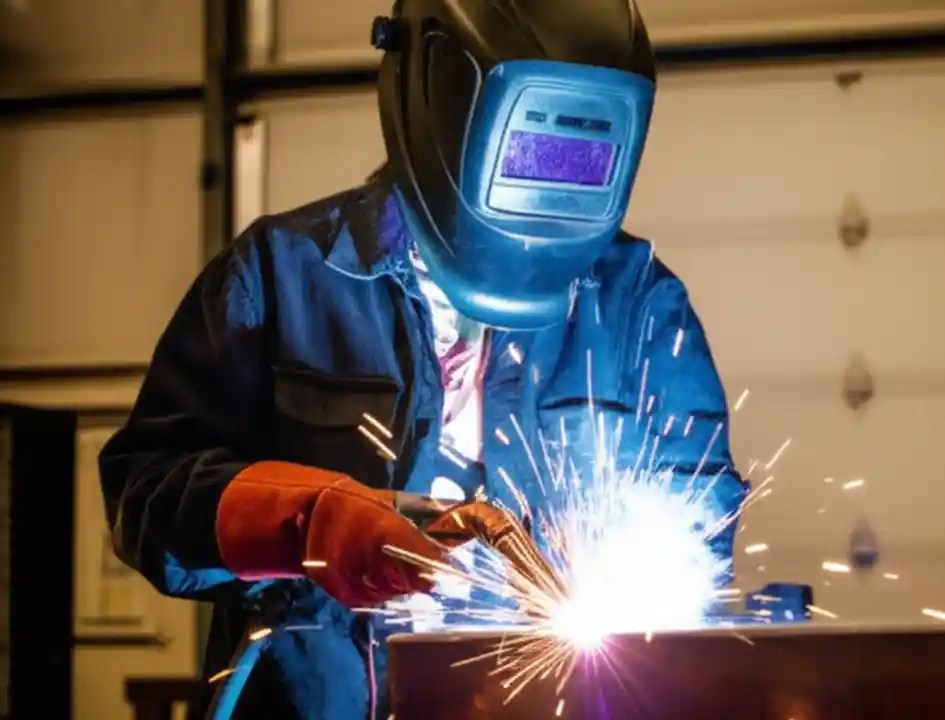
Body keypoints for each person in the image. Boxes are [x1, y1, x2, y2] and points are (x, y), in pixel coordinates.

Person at [98, 0, 746, 718]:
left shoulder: (636, 304)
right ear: (445, 104)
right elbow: (144, 494)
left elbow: (699, 520)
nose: (550, 187)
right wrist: (303, 522)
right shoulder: (285, 275)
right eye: (533, 151)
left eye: (585, 157)